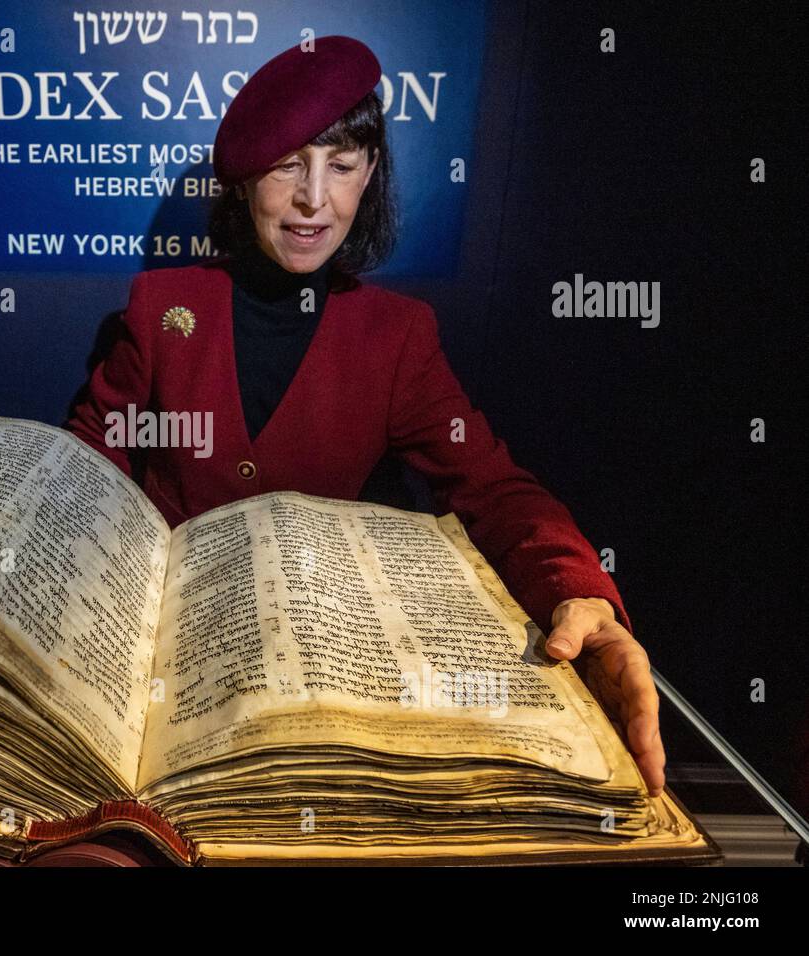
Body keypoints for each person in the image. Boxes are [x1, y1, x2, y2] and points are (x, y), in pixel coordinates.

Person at [64, 36, 664, 796]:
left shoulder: (398, 336)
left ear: (370, 174)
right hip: (170, 679)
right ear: (247, 180)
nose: (317, 199)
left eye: (342, 165)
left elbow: (492, 488)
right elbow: (91, 462)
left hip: (319, 694)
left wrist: (576, 590)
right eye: (289, 165)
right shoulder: (162, 307)